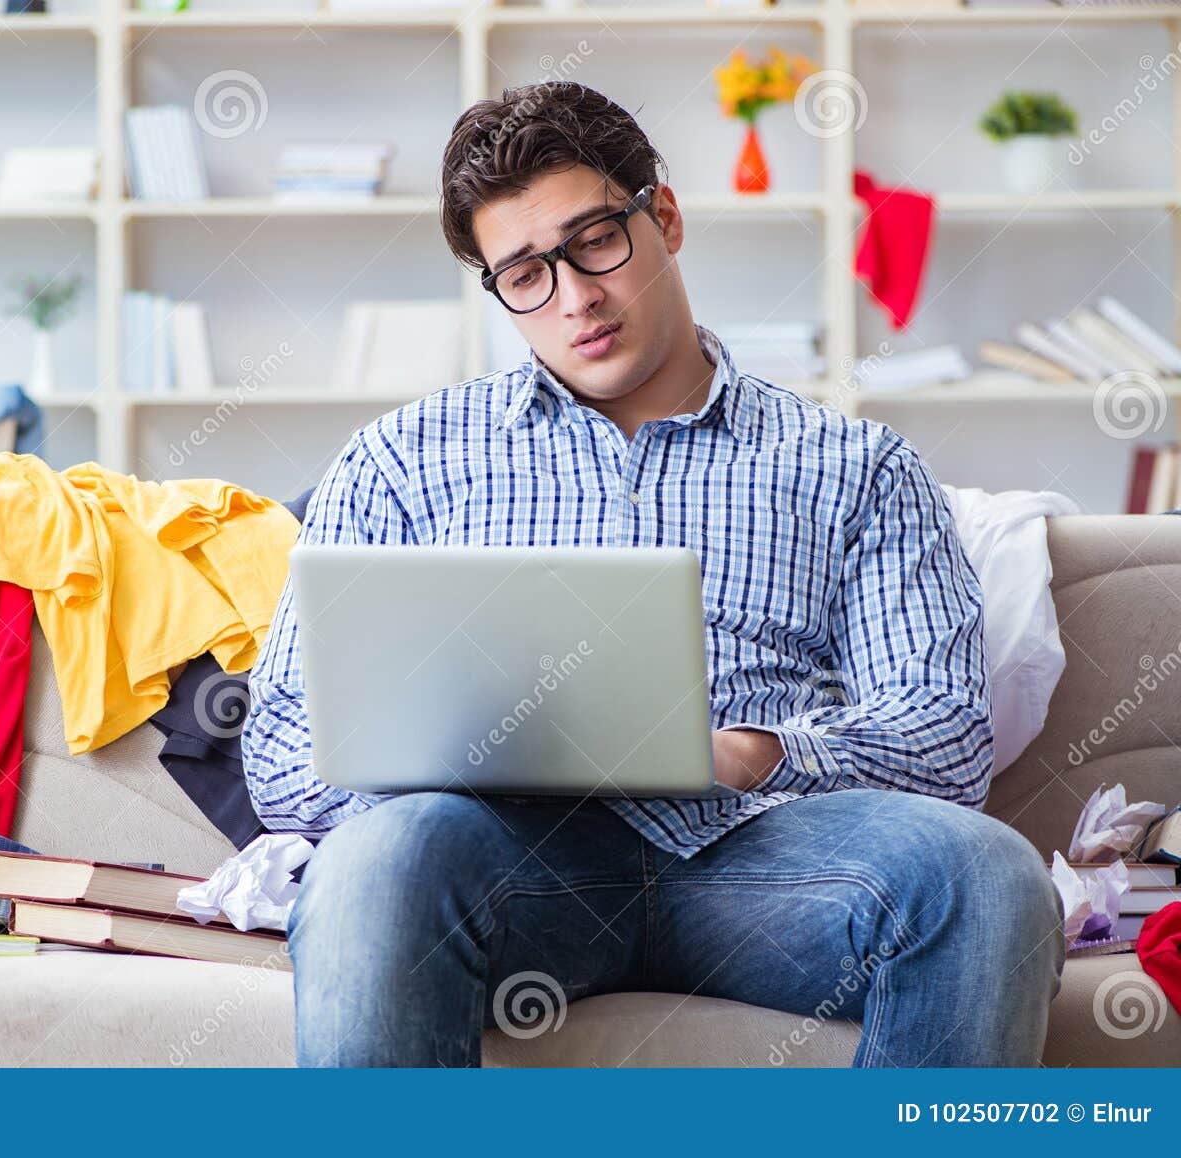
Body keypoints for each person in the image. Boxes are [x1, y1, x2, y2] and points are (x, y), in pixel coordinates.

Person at [241, 81, 1064, 1068]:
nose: (575, 298)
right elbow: (284, 750)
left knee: (985, 877)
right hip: (504, 865)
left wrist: (751, 754)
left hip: (770, 859)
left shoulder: (855, 466)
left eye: (595, 241)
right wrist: (453, 767)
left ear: (662, 217)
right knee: (378, 861)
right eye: (525, 274)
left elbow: (943, 739)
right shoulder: (400, 462)